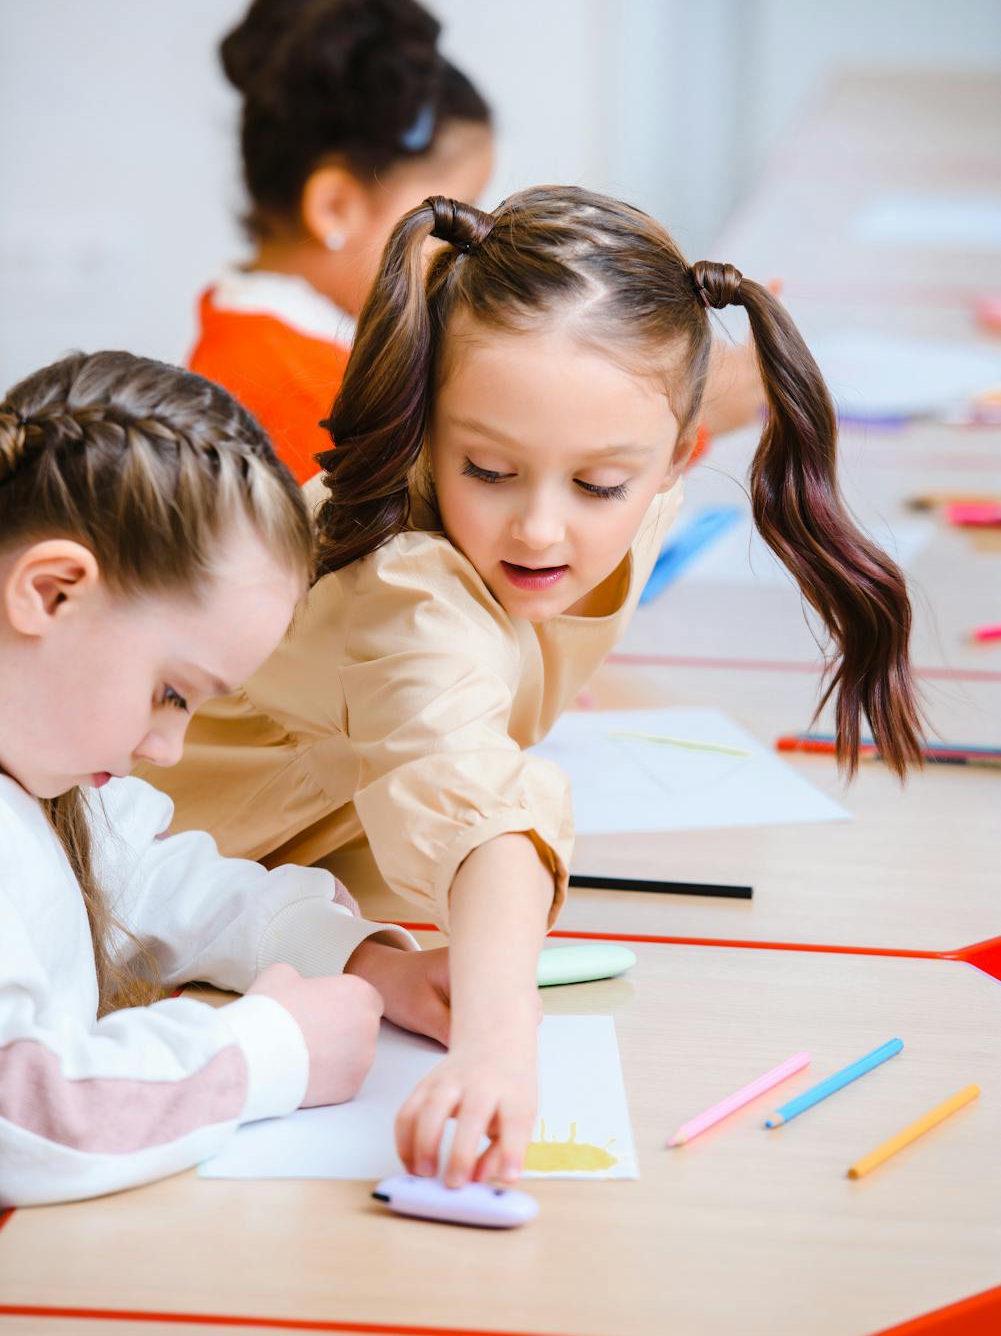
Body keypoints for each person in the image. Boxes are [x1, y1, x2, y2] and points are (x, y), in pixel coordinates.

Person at [150, 186, 924, 1192]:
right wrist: (496, 1047)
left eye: (600, 486)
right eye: (487, 468)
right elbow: (481, 818)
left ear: (675, 456)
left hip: (276, 910)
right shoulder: (407, 590)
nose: (540, 531)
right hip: (156, 903)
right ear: (428, 430)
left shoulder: (613, 452)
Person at [0, 351, 451, 1207]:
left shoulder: (45, 773)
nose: (169, 746)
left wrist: (361, 960)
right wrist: (268, 1053)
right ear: (52, 593)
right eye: (171, 693)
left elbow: (154, 878)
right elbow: (24, 1121)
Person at [190, 0, 494, 483]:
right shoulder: (309, 396)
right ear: (336, 207)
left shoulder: (251, 330)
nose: (473, 244)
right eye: (449, 221)